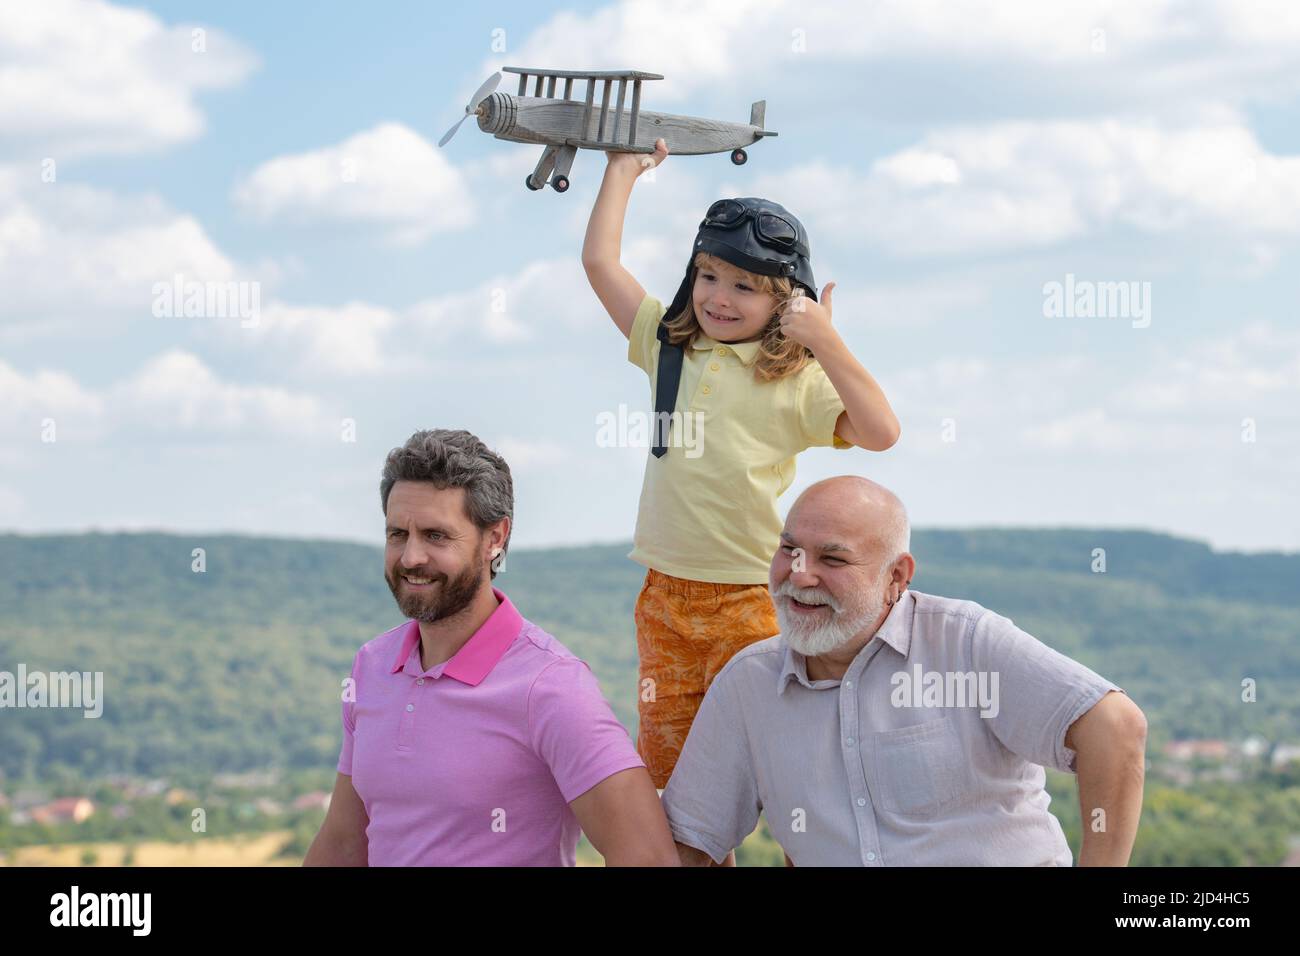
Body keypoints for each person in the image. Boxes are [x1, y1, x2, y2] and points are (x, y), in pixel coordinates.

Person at [581, 139, 902, 819]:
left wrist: (826, 341)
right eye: (708, 276)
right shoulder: (668, 347)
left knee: (787, 779)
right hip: (663, 598)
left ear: (784, 300)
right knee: (675, 791)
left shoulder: (795, 379)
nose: (719, 298)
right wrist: (622, 171)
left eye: (744, 286)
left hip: (753, 601)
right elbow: (600, 263)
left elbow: (880, 431)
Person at [662, 476, 1148, 866]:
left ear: (896, 576)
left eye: (833, 558)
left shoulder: (964, 641)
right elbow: (690, 841)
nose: (800, 573)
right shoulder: (748, 684)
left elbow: (1116, 728)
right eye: (790, 550)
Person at [304, 429, 678, 866]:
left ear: (495, 537)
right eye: (397, 534)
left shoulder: (551, 685)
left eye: (436, 536)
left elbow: (648, 855)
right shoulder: (372, 665)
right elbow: (345, 843)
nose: (410, 557)